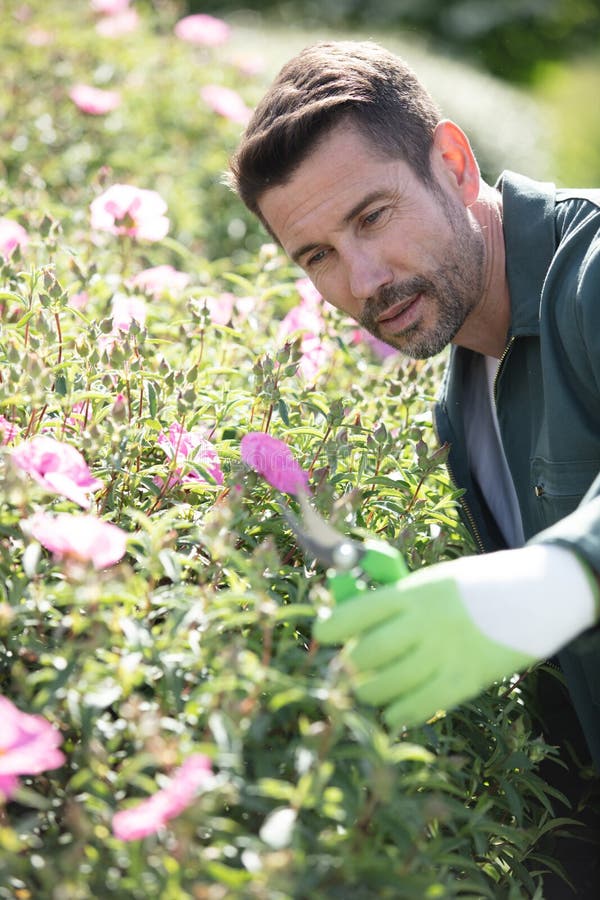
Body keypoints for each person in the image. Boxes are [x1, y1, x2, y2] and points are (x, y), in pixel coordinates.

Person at [229, 41, 600, 894]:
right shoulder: (460, 396)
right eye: (316, 255)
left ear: (455, 162)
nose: (362, 279)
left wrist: (562, 573)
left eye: (372, 216)